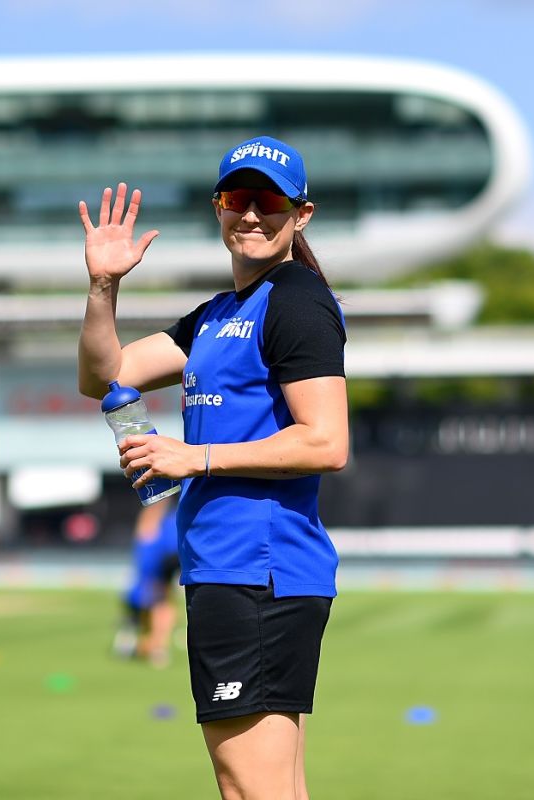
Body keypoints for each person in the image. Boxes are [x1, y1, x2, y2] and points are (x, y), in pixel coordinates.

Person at [77, 134, 348, 800]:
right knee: (260, 787)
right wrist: (103, 287)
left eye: (269, 201)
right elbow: (101, 377)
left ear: (300, 215)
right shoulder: (217, 315)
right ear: (218, 207)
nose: (251, 215)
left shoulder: (297, 303)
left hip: (258, 567)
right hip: (231, 567)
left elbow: (327, 442)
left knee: (250, 787)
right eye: (237, 198)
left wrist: (191, 456)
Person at [114, 495, 180, 667]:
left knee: (161, 611)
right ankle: (149, 647)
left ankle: (151, 647)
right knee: (158, 613)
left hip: (156, 576)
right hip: (148, 579)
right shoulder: (151, 531)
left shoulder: (162, 526)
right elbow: (150, 515)